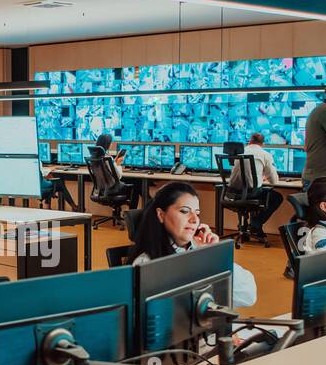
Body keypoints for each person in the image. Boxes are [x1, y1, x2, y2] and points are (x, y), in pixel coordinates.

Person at [129, 181, 257, 307]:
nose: (194, 220)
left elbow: (248, 296)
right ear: (161, 215)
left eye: (197, 213)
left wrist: (213, 253)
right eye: (184, 211)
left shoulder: (200, 252)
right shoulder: (146, 263)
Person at [226, 133, 283, 239]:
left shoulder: (239, 152)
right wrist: (262, 178)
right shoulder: (265, 154)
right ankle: (256, 223)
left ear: (249, 142)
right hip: (251, 194)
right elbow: (274, 181)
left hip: (232, 193)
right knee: (277, 197)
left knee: (255, 193)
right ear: (263, 144)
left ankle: (245, 226)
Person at [93, 132, 141, 210]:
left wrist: (114, 163)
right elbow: (118, 176)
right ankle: (131, 216)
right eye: (110, 143)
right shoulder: (107, 158)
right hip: (112, 190)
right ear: (107, 144)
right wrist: (118, 164)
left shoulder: (94, 158)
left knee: (135, 183)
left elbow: (108, 171)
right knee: (136, 186)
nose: (111, 144)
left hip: (101, 190)